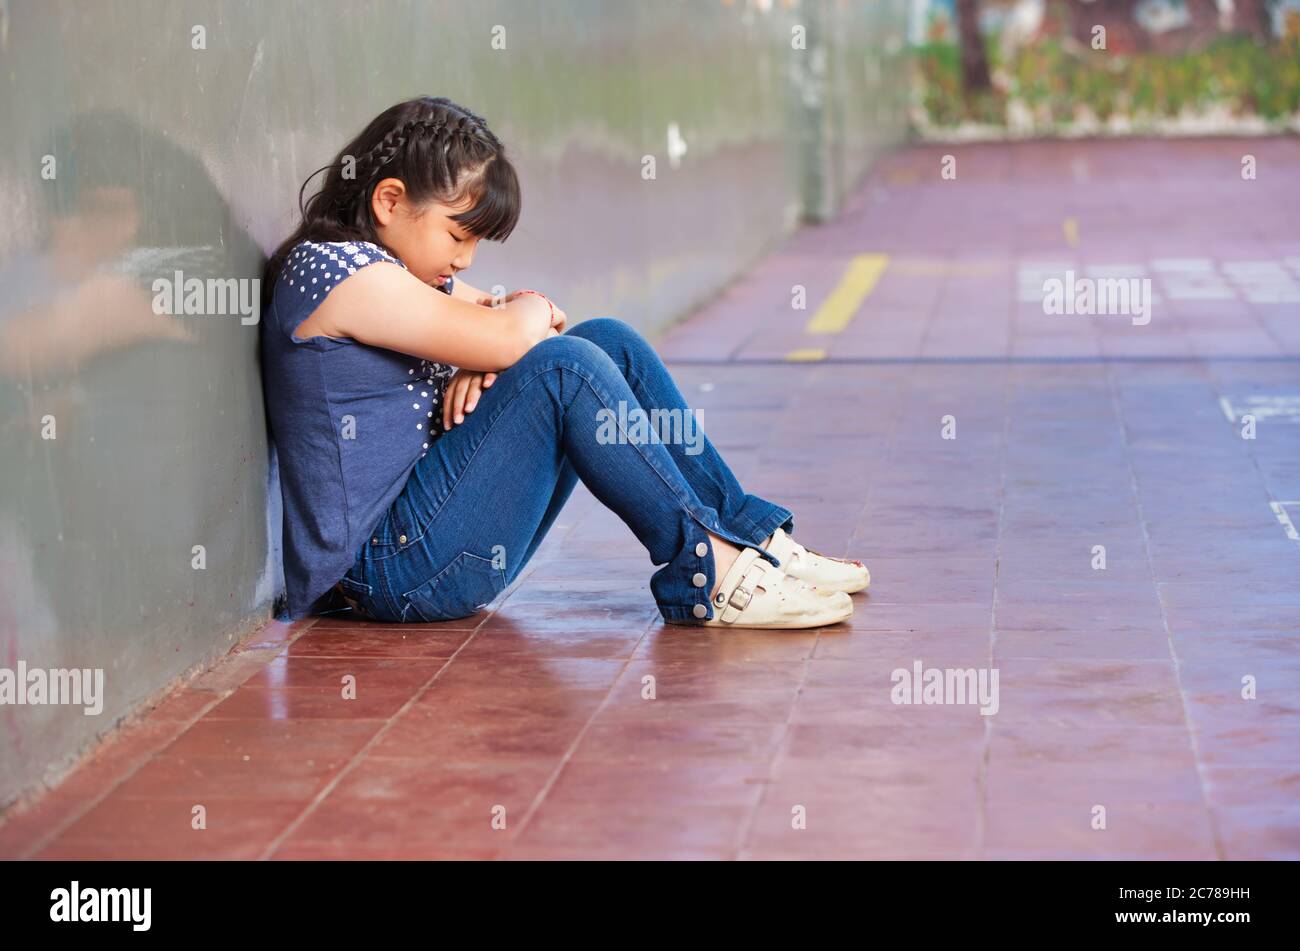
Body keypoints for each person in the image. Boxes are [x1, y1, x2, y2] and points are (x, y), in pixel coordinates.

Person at [260, 96, 869, 630]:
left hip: (433, 540)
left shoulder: (405, 273)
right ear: (390, 201)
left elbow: (526, 318)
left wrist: (497, 342)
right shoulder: (340, 274)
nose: (467, 260)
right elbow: (512, 333)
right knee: (566, 369)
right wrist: (499, 341)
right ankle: (707, 571)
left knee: (608, 340)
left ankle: (748, 537)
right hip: (388, 568)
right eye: (458, 235)